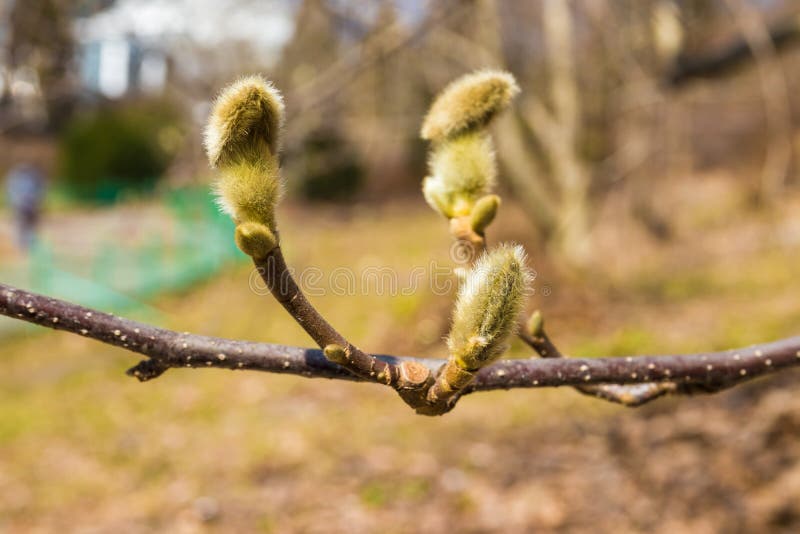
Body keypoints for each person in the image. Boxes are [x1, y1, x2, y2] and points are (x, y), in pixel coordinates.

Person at [5, 162, 46, 251]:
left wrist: (38, 201)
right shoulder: (15, 178)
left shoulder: (34, 177)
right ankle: (22, 243)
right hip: (21, 205)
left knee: (31, 224)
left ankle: (30, 242)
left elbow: (41, 190)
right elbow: (11, 191)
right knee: (21, 224)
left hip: (31, 205)